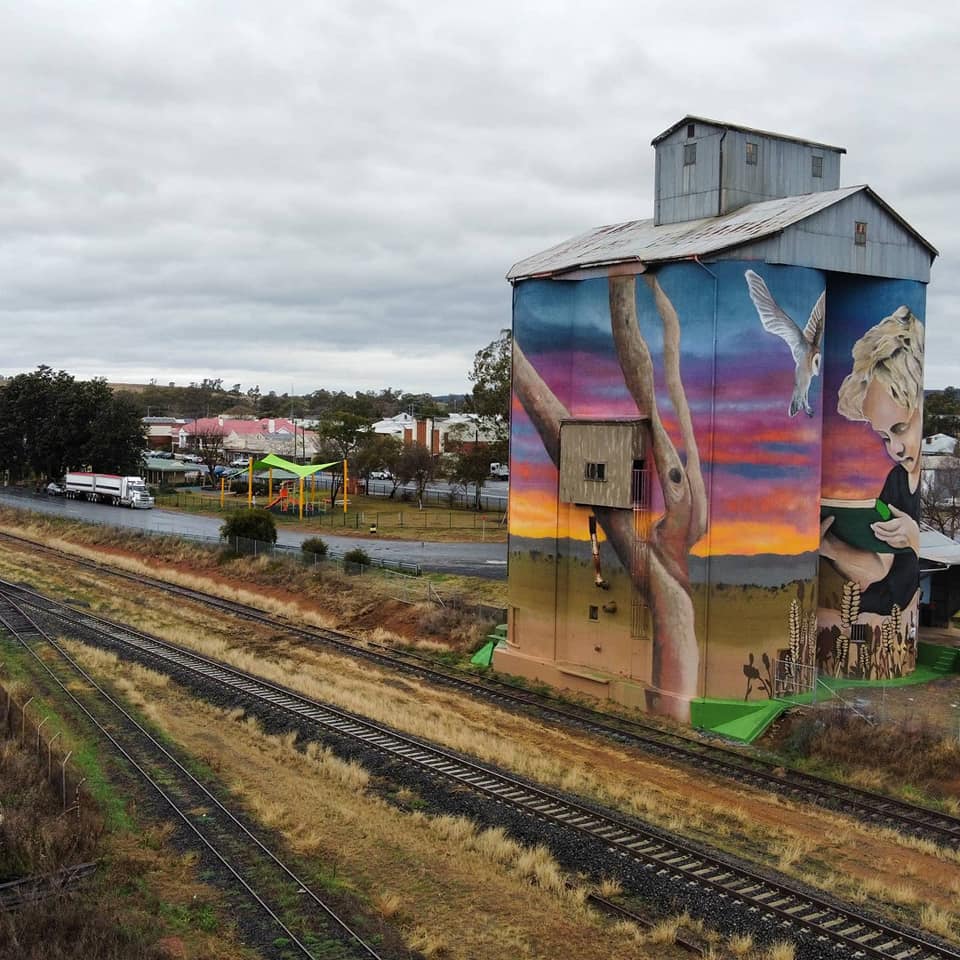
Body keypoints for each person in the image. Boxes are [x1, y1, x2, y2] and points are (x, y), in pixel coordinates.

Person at [820, 306, 923, 615]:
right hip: (873, 609)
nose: (894, 448)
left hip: (893, 619)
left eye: (900, 429)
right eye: (884, 436)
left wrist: (915, 539)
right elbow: (878, 569)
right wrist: (830, 547)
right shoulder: (895, 481)